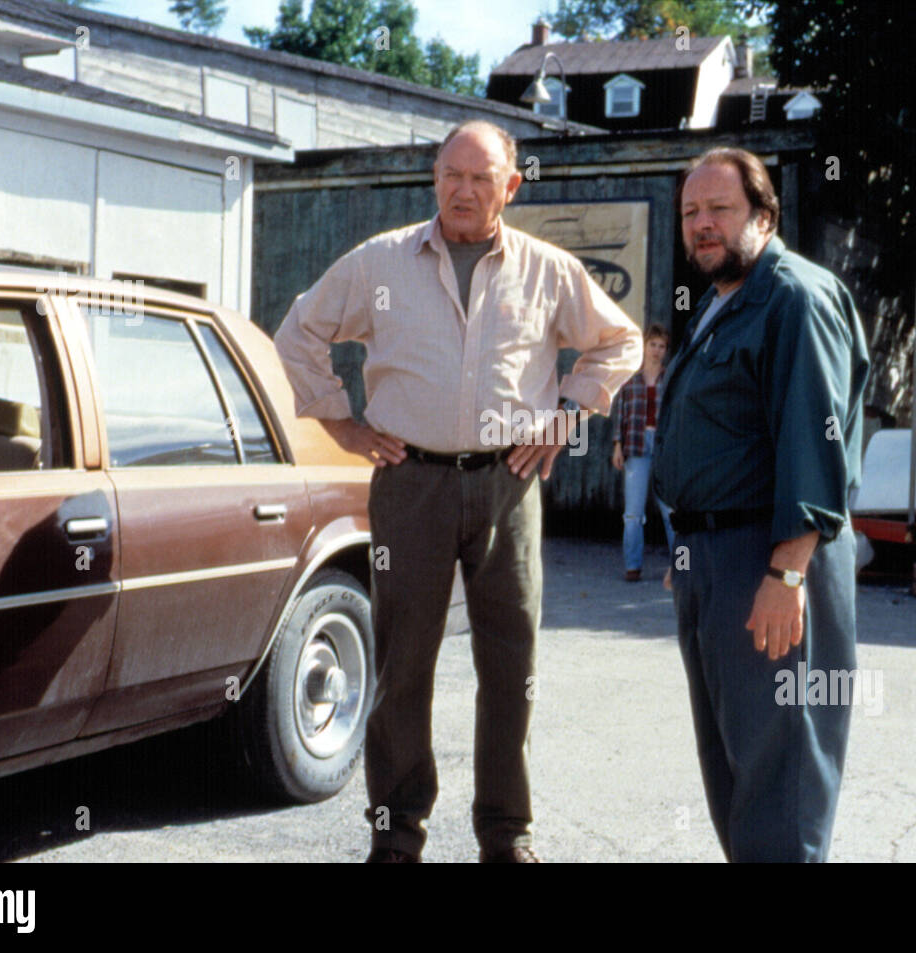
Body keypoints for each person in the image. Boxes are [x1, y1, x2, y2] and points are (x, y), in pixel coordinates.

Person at [274, 120, 641, 863]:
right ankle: (396, 835)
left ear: (511, 184)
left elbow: (620, 342)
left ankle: (507, 836)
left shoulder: (547, 270)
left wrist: (569, 416)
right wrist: (342, 424)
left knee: (512, 667)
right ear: (433, 179)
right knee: (403, 666)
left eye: (481, 177)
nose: (463, 190)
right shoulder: (381, 262)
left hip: (510, 483)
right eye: (450, 175)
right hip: (411, 484)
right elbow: (299, 333)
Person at [652, 147, 870, 862]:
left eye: (719, 209)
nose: (702, 225)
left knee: (782, 778)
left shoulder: (796, 297)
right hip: (712, 558)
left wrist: (787, 574)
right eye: (690, 213)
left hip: (770, 559)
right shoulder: (721, 304)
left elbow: (815, 441)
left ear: (765, 214)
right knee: (735, 770)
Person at [609, 323, 675, 582]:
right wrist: (617, 445)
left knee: (672, 511)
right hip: (636, 444)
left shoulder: (670, 378)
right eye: (653, 345)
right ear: (644, 346)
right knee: (633, 513)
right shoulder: (630, 379)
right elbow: (621, 415)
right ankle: (632, 566)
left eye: (662, 346)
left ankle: (680, 567)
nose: (657, 351)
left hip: (663, 446)